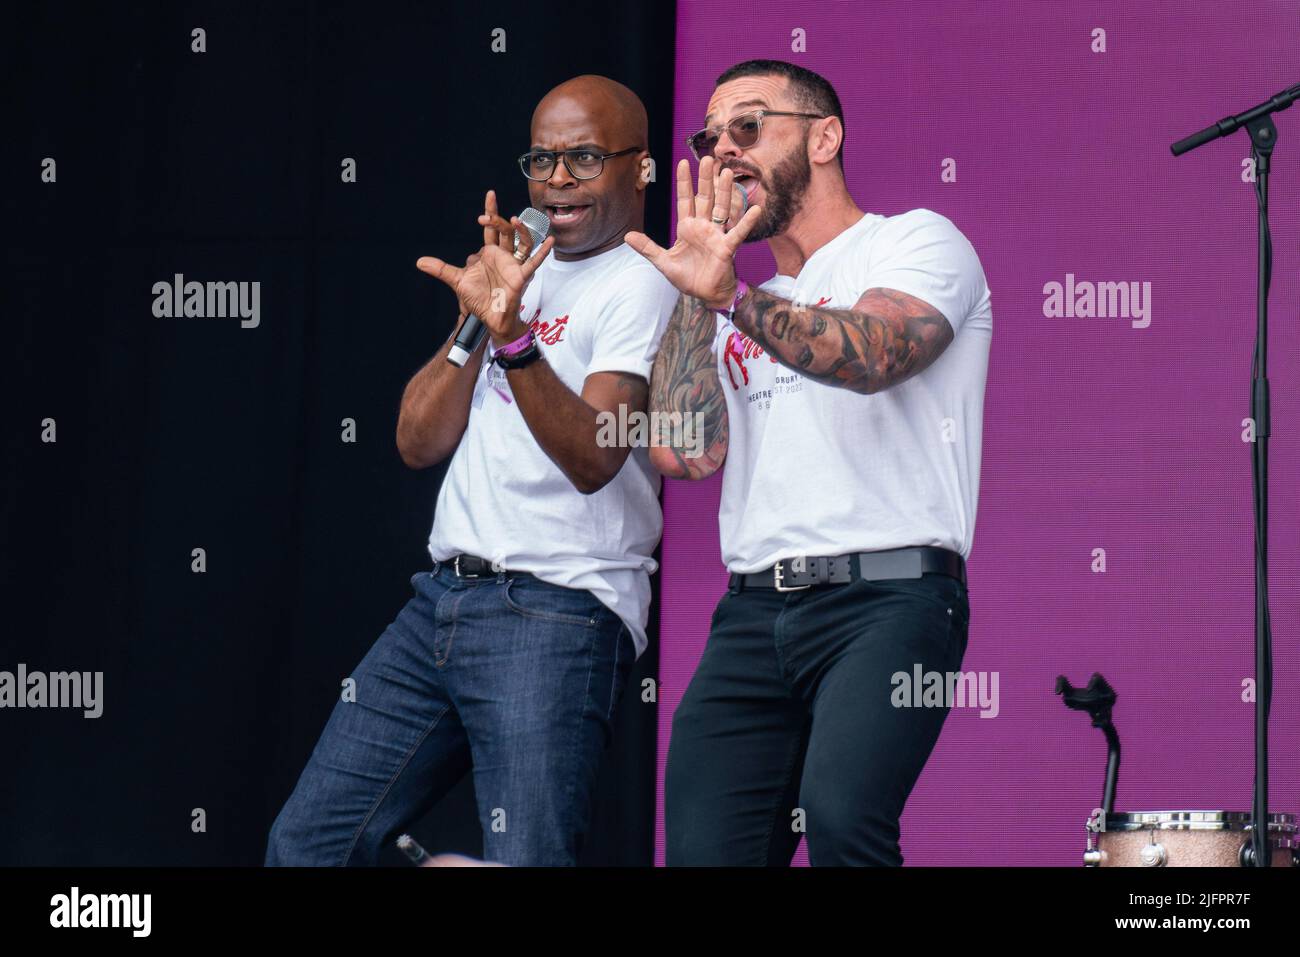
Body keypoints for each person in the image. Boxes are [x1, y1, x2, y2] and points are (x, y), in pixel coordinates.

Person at [266, 75, 677, 866]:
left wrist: (515, 335)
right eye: (543, 158)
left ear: (642, 170)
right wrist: (474, 324)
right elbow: (417, 441)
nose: (557, 179)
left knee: (528, 856)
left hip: (557, 611)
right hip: (440, 603)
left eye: (585, 158)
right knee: (308, 844)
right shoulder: (519, 272)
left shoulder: (645, 282)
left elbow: (596, 455)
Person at [626, 59, 993, 865]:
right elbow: (684, 452)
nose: (723, 151)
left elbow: (875, 356)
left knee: (842, 822)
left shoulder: (915, 241)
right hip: (753, 613)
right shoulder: (733, 304)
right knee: (702, 849)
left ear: (825, 136)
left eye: (748, 127)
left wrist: (730, 299)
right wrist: (697, 294)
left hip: (888, 600)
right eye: (710, 137)